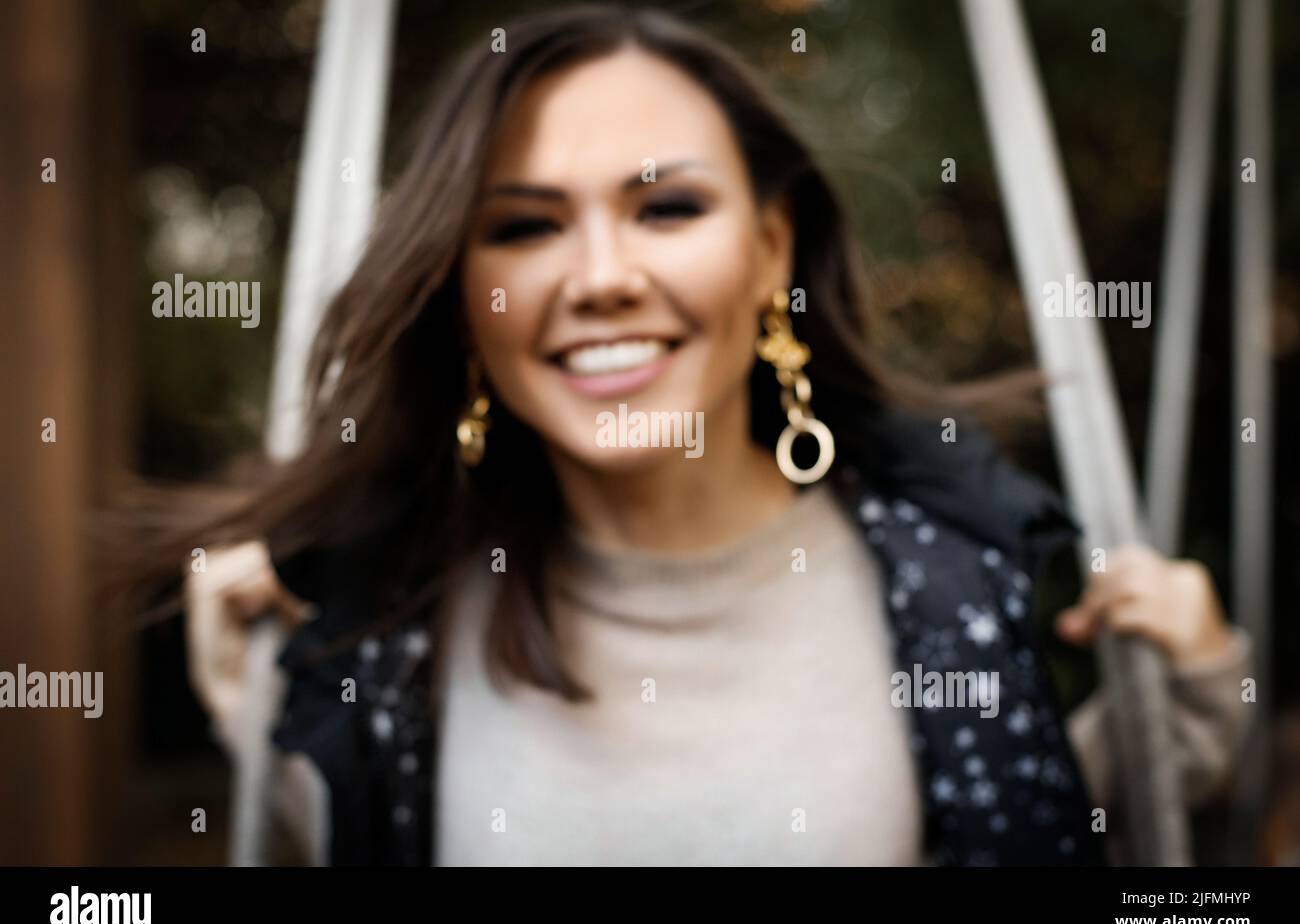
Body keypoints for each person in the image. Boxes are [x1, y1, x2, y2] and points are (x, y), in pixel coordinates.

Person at [175, 5, 1249, 866]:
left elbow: (1021, 816)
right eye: (524, 226)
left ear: (771, 246)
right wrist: (255, 702)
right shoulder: (383, 613)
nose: (600, 279)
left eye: (667, 209)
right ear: (464, 295)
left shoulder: (942, 578)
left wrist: (1188, 713)